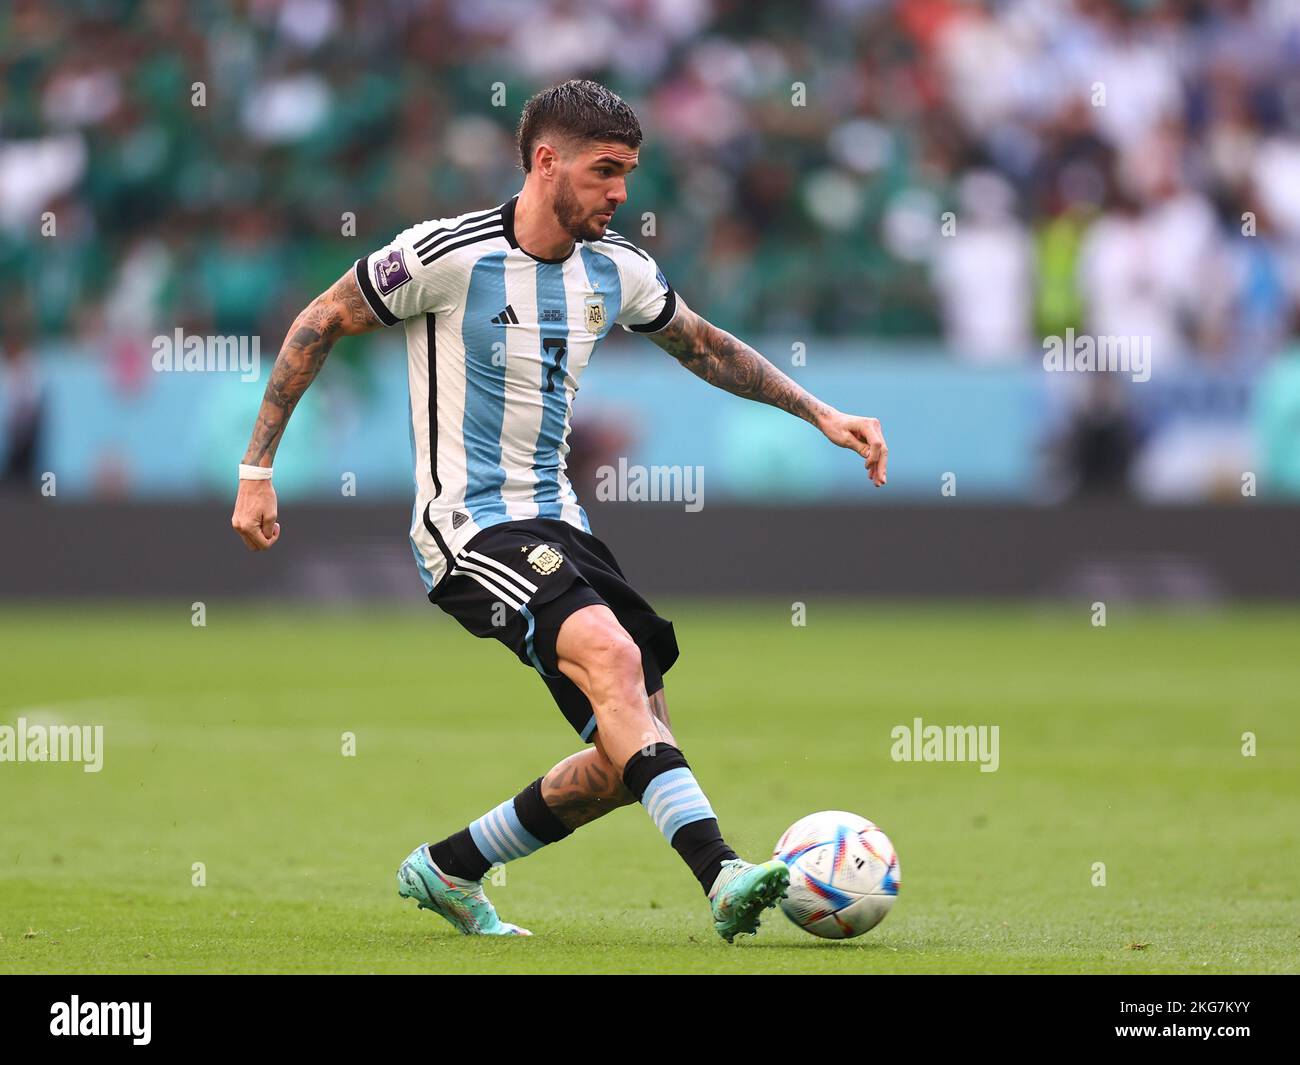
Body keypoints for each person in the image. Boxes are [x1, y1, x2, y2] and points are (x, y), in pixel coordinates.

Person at [230, 79, 888, 942]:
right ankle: (723, 871)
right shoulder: (446, 255)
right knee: (614, 659)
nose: (621, 193)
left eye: (630, 173)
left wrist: (820, 413)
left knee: (631, 756)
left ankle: (450, 867)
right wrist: (257, 467)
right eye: (605, 171)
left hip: (564, 525)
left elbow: (706, 346)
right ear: (546, 163)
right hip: (466, 524)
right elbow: (320, 320)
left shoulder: (616, 270)